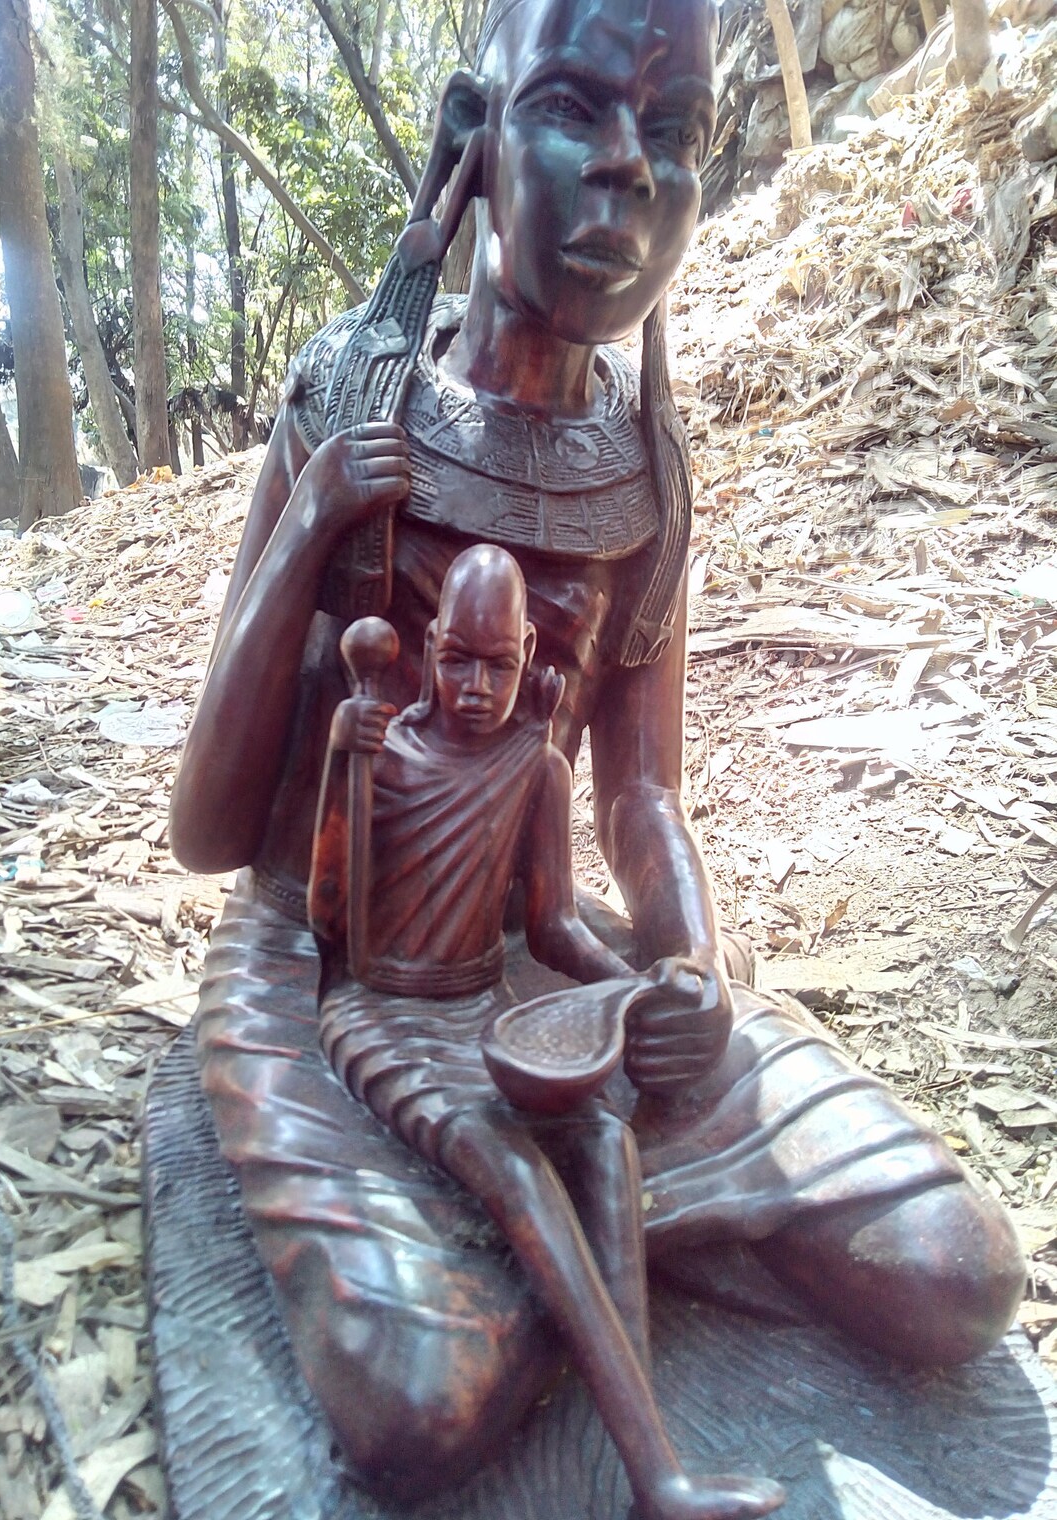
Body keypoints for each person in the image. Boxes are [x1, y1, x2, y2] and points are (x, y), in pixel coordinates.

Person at [168, 0, 1025, 1499]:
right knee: (419, 1404)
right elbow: (209, 832)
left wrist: (686, 968)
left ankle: (571, 1244)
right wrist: (306, 533)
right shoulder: (349, 402)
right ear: (472, 135)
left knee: (953, 1270)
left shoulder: (642, 466)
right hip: (331, 975)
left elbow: (638, 795)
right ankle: (594, 1256)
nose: (630, 172)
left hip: (552, 967)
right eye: (574, 105)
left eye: (677, 132)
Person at [308, 542, 783, 1520]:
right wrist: (339, 772)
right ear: (426, 648)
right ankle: (652, 1466)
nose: (477, 686)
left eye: (499, 663)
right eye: (457, 660)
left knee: (605, 1139)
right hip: (384, 1015)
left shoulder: (537, 766)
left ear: (528, 653)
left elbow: (556, 926)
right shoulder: (385, 752)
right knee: (519, 1169)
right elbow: (333, 923)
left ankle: (653, 1459)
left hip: (485, 1005)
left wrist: (646, 978)